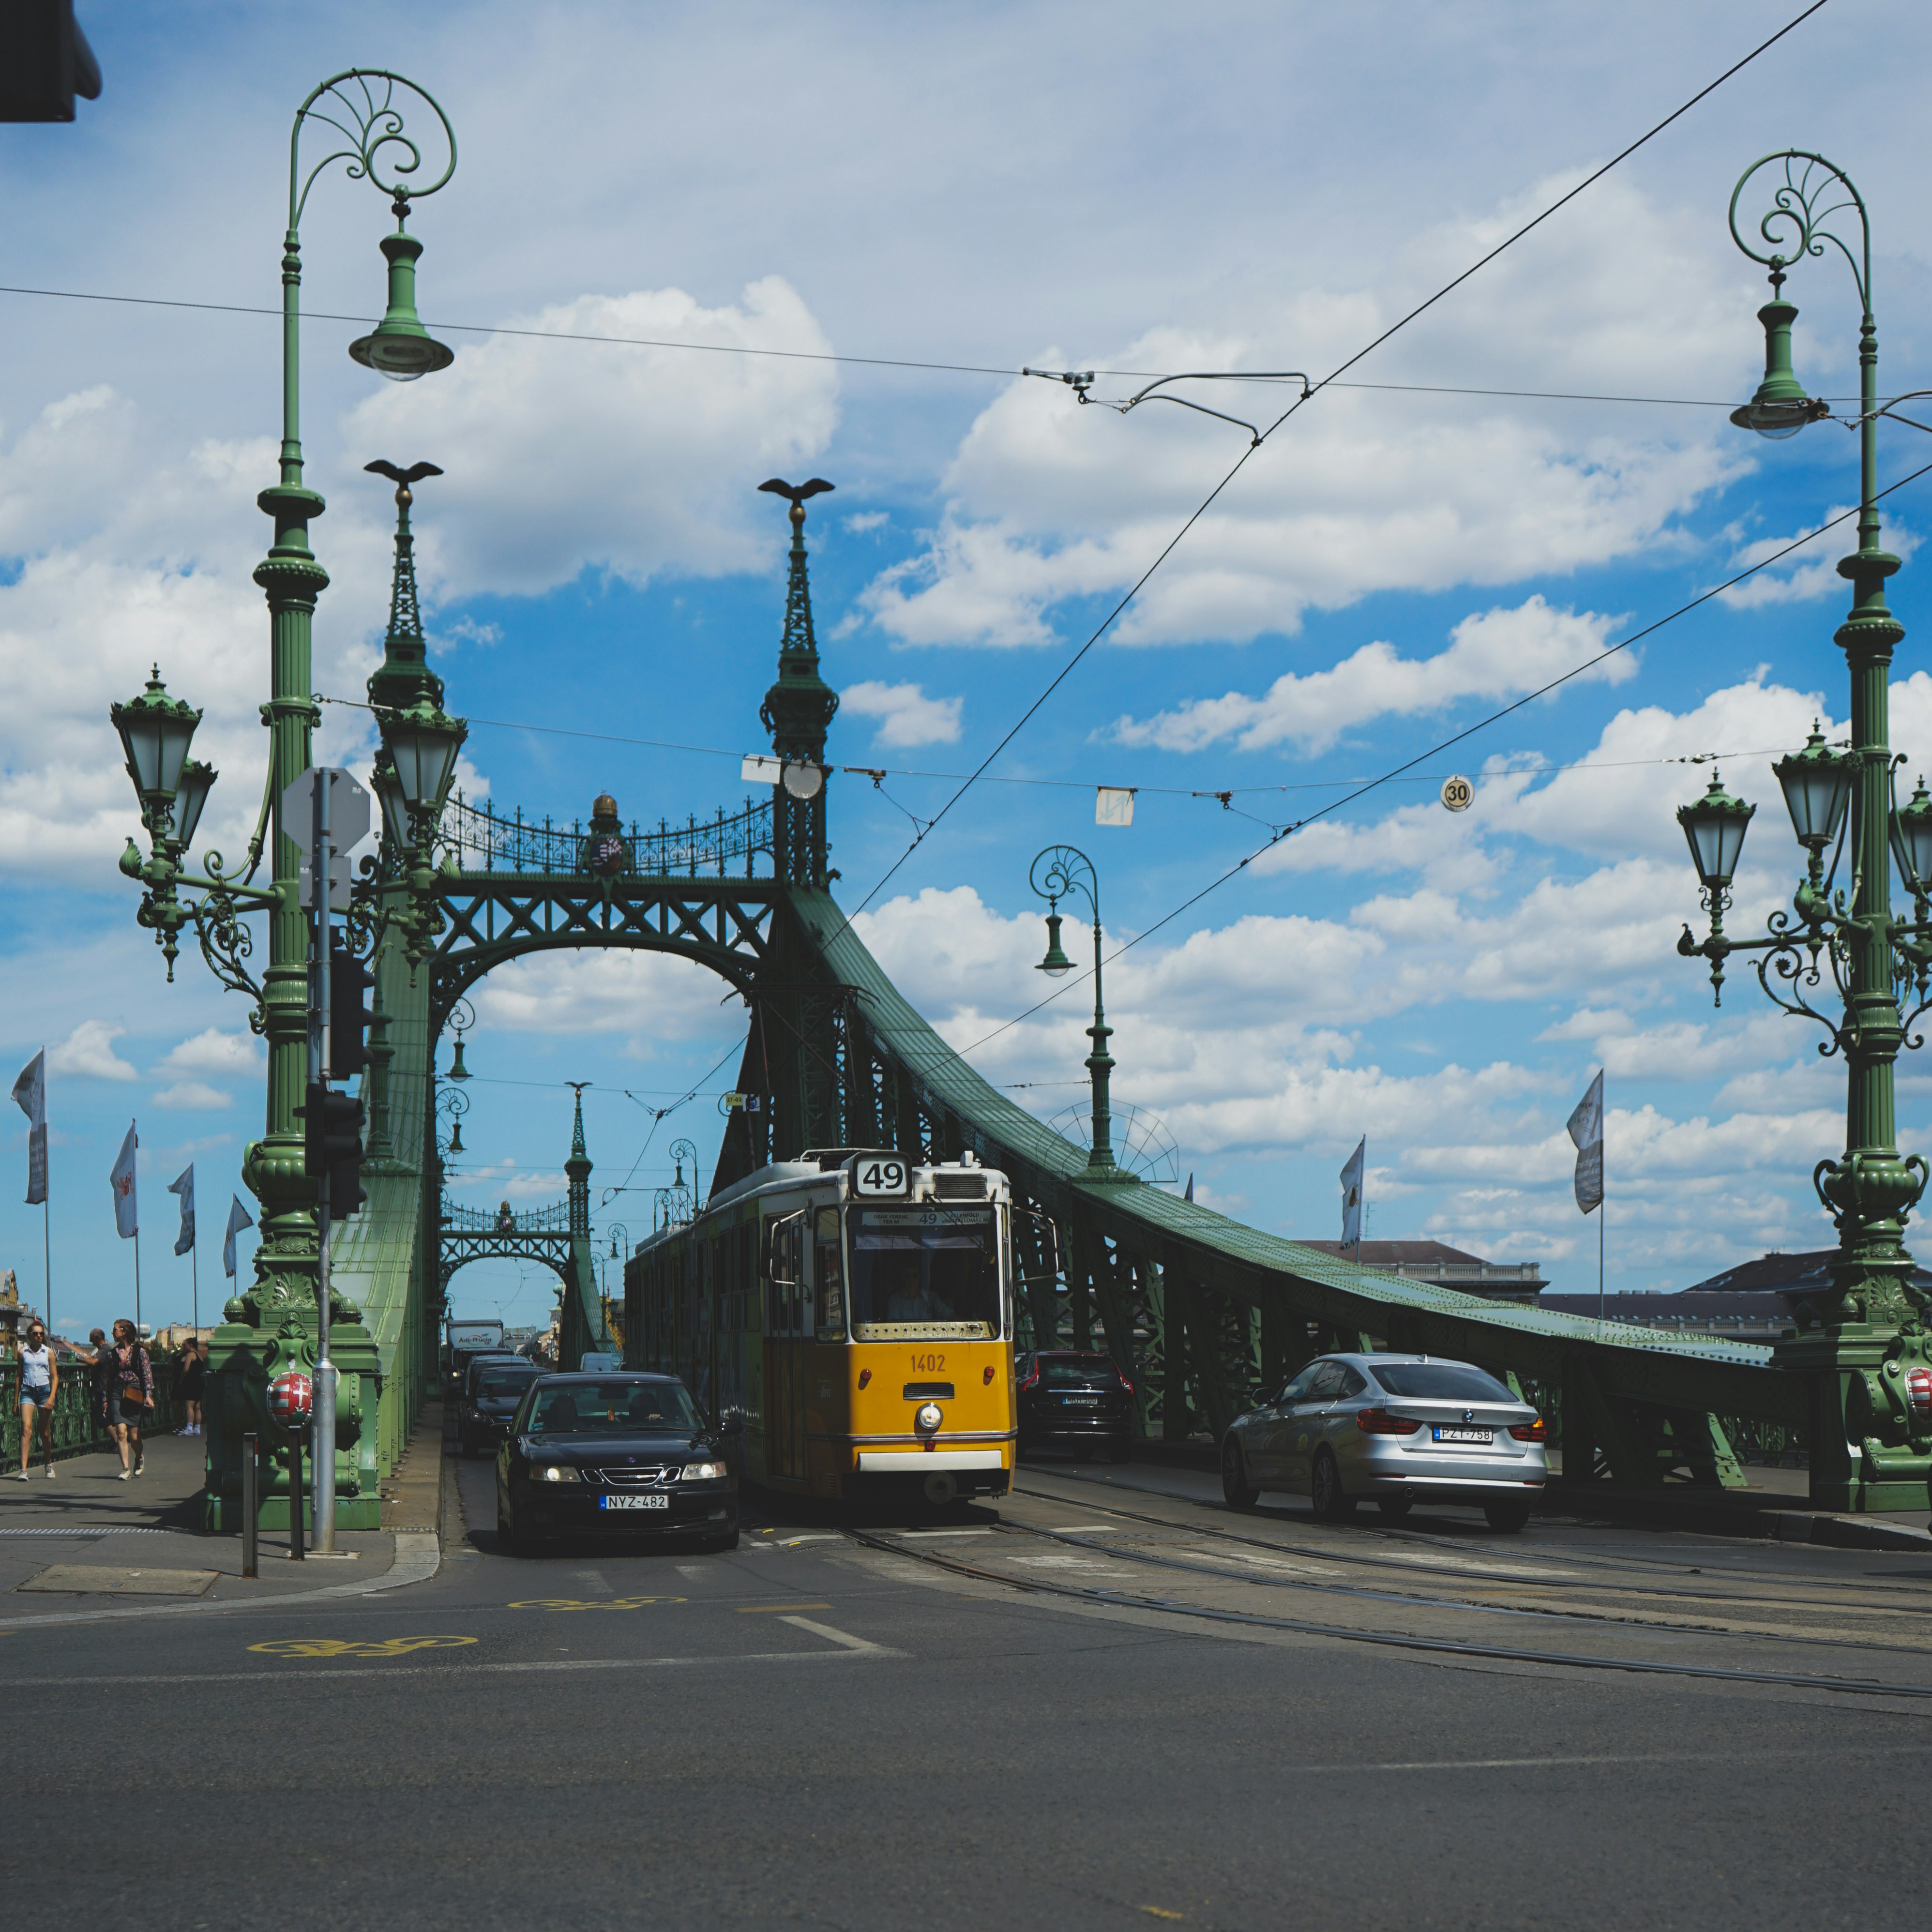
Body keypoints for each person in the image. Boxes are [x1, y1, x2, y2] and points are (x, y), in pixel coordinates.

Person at [106, 1320, 153, 1479]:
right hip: (117, 1392)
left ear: (125, 1331)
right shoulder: (112, 1354)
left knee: (134, 1437)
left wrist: (148, 1395)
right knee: (121, 1432)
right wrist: (106, 1401)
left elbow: (147, 1374)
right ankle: (125, 1469)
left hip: (134, 1392)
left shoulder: (140, 1352)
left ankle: (139, 1458)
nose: (113, 1333)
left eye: (115, 1330)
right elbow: (109, 1377)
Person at [13, 1319, 57, 1480]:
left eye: (41, 1334)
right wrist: (15, 1401)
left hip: (44, 1392)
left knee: (45, 1433)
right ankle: (23, 1470)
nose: (39, 1336)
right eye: (35, 1334)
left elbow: (55, 1377)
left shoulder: (48, 1352)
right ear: (30, 1336)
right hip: (28, 1392)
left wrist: (52, 1397)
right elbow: (18, 1376)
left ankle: (48, 1464)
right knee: (26, 1429)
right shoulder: (22, 1352)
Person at [176, 1338, 206, 1436]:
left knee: (189, 1406)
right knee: (197, 1407)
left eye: (186, 1345)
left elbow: (186, 1370)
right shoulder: (200, 1356)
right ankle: (197, 1428)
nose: (184, 1347)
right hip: (200, 1382)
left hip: (191, 1382)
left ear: (190, 1345)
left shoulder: (190, 1355)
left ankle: (189, 1428)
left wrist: (181, 1380)